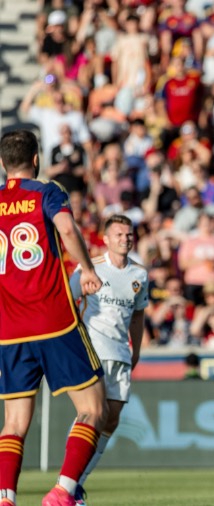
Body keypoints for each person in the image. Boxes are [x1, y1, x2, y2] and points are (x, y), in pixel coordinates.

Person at [0, 130, 106, 506]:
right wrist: (88, 268)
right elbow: (65, 228)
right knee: (93, 408)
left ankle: (5, 498)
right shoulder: (46, 191)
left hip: (9, 329)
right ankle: (63, 491)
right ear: (35, 159)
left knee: (13, 423)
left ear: (2, 163)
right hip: (53, 318)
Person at [68, 215, 148, 505]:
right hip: (93, 350)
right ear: (106, 238)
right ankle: (68, 484)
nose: (125, 239)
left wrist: (136, 349)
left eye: (129, 235)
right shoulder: (89, 268)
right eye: (119, 234)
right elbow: (67, 302)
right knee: (91, 414)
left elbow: (138, 316)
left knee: (111, 421)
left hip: (121, 354)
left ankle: (77, 482)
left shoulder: (139, 275)